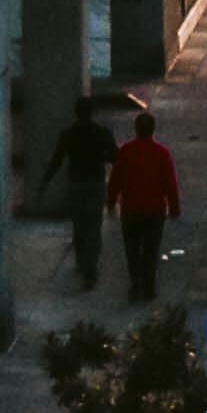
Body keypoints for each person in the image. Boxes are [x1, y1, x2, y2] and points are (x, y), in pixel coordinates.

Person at [39, 89, 122, 291]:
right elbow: (115, 157)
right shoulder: (102, 133)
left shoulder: (68, 134)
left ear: (76, 113)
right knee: (94, 224)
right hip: (94, 183)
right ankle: (90, 268)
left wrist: (44, 183)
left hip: (76, 183)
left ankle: (81, 261)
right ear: (92, 112)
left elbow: (57, 160)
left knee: (79, 223)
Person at [107, 104, 182, 307]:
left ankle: (135, 283)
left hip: (131, 209)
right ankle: (149, 285)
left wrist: (111, 201)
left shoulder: (125, 151)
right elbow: (170, 183)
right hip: (154, 210)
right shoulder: (161, 153)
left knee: (132, 249)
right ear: (153, 130)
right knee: (151, 249)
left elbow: (116, 179)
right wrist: (174, 207)